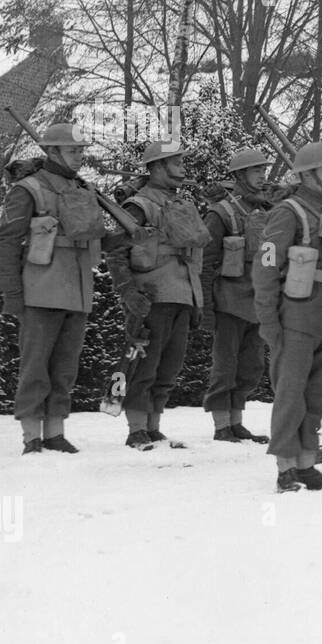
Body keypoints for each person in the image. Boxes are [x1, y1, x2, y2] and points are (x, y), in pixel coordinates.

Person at [0, 122, 111, 454]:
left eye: (81, 151)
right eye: (73, 151)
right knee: (35, 367)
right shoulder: (27, 189)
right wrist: (12, 294)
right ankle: (32, 436)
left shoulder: (84, 190)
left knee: (64, 368)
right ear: (52, 151)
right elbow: (7, 243)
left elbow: (94, 240)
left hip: (77, 290)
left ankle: (55, 433)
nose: (79, 157)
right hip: (40, 291)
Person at [253, 141, 322, 492]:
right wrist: (268, 319)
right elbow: (266, 267)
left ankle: (307, 463)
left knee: (320, 394)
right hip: (296, 315)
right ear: (307, 175)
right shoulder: (288, 212)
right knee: (290, 393)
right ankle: (285, 468)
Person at [106, 140, 210, 449]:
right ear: (156, 167)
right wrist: (127, 290)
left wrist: (197, 298)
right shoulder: (138, 206)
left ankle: (153, 426)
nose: (182, 170)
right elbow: (116, 253)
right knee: (142, 364)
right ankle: (136, 428)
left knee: (169, 366)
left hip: (182, 294)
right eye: (176, 164)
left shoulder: (182, 204)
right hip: (151, 296)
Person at [200, 147, 274, 443]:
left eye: (262, 170)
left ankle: (236, 421)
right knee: (225, 365)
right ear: (240, 175)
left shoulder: (266, 211)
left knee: (251, 366)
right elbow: (205, 262)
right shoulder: (221, 213)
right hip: (229, 301)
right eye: (256, 171)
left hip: (257, 301)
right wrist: (205, 306)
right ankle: (221, 425)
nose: (262, 176)